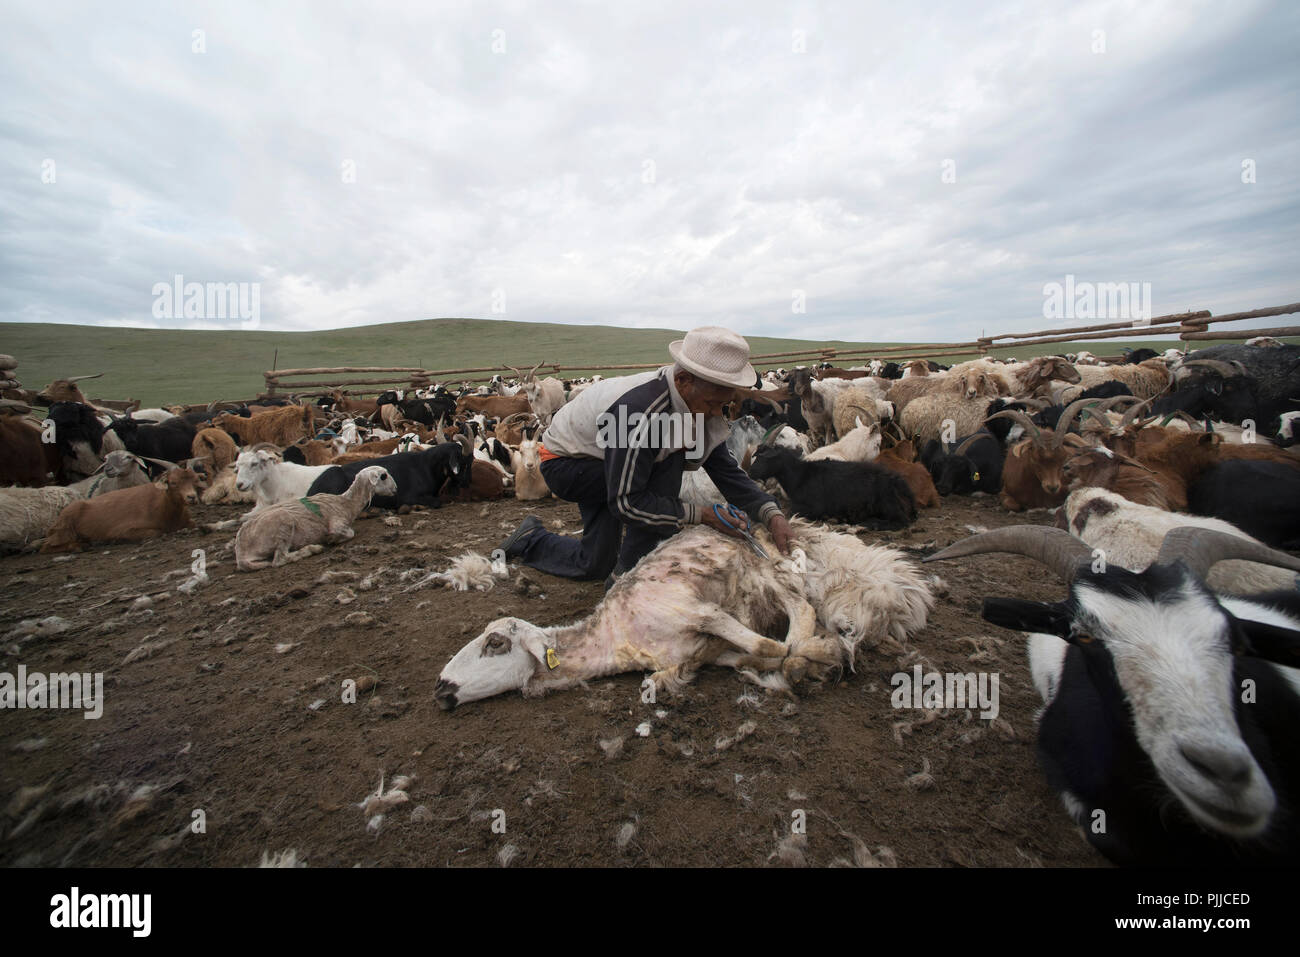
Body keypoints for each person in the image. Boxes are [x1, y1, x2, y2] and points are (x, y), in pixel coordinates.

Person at [498, 326, 795, 585]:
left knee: (594, 563)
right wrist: (701, 515)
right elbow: (627, 502)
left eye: (723, 404)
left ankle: (531, 539)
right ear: (684, 381)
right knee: (666, 465)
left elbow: (725, 470)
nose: (716, 413)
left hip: (604, 459)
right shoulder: (640, 413)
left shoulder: (696, 402)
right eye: (711, 404)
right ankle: (628, 578)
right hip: (566, 465)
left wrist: (771, 513)